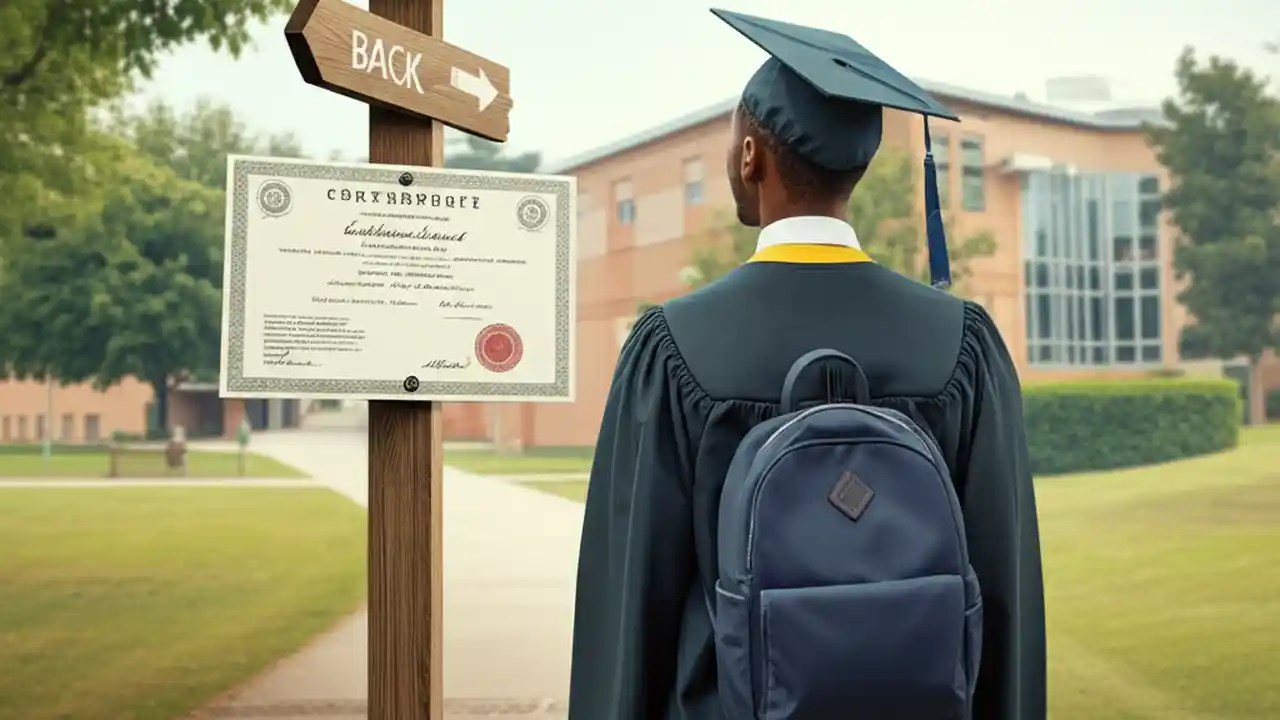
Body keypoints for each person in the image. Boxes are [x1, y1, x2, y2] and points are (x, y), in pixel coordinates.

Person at [568, 8, 1045, 720]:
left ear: (751, 157)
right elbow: (1004, 599)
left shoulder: (673, 346)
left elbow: (633, 610)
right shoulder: (961, 342)